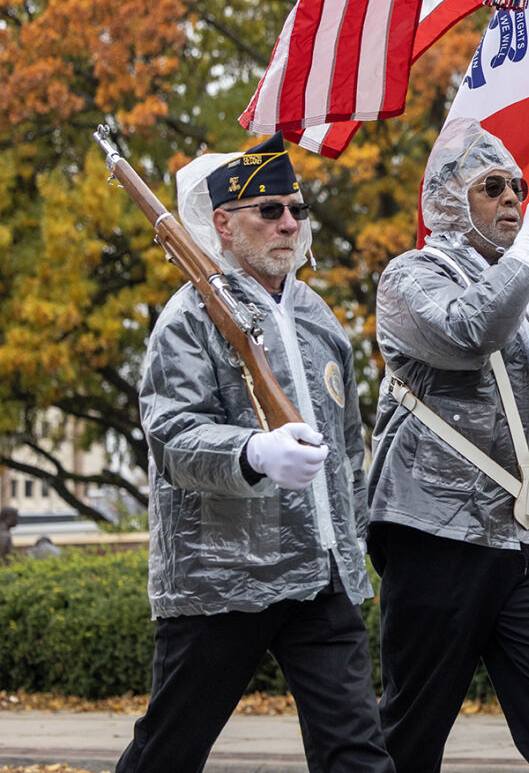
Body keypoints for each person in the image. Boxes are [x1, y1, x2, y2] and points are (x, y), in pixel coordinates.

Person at [117, 134, 392, 773]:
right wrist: (252, 453)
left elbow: (349, 450)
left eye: (296, 208)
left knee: (357, 751)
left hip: (319, 573)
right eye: (269, 210)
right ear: (223, 223)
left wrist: (351, 549)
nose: (289, 223)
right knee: (169, 751)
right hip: (222, 579)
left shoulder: (321, 318)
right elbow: (173, 436)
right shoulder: (188, 318)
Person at [369, 118, 529, 773]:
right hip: (438, 533)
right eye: (493, 187)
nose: (515, 198)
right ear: (451, 201)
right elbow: (464, 333)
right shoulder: (410, 276)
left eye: (519, 187)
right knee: (412, 730)